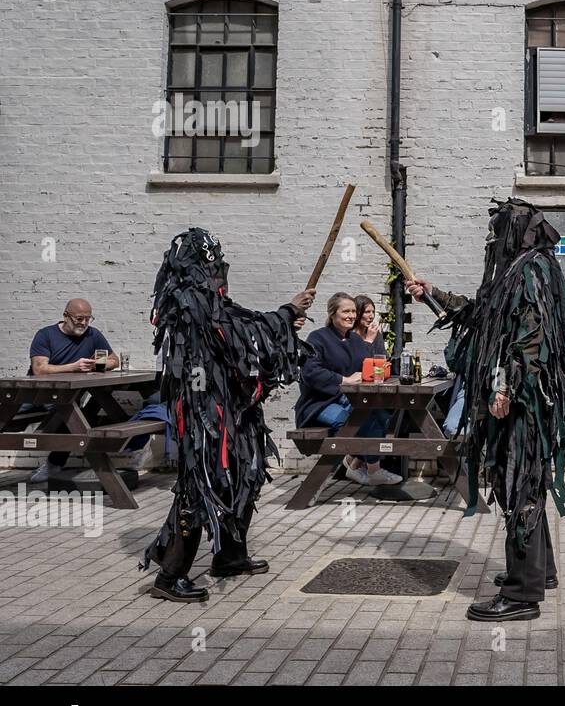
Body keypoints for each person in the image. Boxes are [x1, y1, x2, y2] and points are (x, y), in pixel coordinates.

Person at [406, 197, 565, 622]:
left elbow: (530, 336)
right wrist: (434, 294)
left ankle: (523, 595)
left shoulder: (530, 271)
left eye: (498, 232)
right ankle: (541, 573)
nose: (493, 240)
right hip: (523, 398)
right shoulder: (519, 271)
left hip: (521, 401)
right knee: (525, 480)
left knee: (518, 480)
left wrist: (506, 386)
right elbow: (484, 316)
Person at [141, 228, 314, 603]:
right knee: (203, 483)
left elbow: (239, 322)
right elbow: (228, 331)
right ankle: (170, 576)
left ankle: (230, 556)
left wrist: (284, 318)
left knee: (245, 473)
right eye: (214, 261)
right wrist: (284, 315)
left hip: (233, 406)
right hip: (206, 412)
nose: (220, 267)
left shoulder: (211, 300)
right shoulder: (188, 301)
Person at [26, 299, 143, 483]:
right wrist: (73, 367)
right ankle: (54, 465)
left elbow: (114, 360)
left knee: (78, 413)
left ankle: (55, 465)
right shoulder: (46, 335)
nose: (84, 323)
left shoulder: (92, 335)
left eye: (88, 319)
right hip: (38, 396)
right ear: (66, 316)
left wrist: (98, 364)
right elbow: (39, 369)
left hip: (67, 398)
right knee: (74, 414)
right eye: (79, 318)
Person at [294, 292, 401, 486]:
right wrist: (344, 379)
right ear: (332, 314)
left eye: (353, 311)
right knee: (351, 422)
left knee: (381, 415)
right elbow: (310, 372)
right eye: (346, 311)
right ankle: (369, 470)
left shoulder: (354, 339)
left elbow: (370, 363)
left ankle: (355, 464)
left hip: (349, 400)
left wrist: (371, 344)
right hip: (320, 403)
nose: (351, 315)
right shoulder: (318, 337)